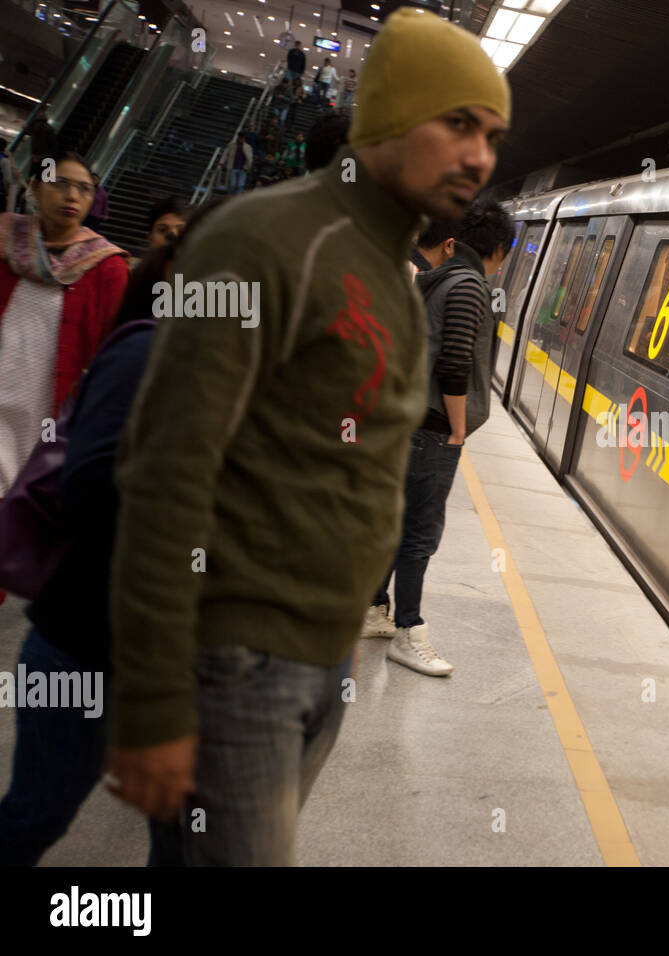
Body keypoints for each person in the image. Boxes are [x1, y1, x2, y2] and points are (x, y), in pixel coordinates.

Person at [105, 8, 510, 866]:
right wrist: (149, 700)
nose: (480, 156)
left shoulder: (396, 276)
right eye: (459, 123)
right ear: (392, 118)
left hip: (321, 663)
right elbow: (165, 470)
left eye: (494, 134)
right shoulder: (263, 239)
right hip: (235, 662)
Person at [0, 201, 225, 864]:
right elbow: (92, 490)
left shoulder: (217, 367)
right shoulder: (149, 351)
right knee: (37, 813)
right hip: (83, 642)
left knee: (181, 835)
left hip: (160, 656)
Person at [363, 201, 512, 675]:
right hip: (433, 428)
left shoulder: (436, 280)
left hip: (410, 420)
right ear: (500, 250)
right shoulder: (470, 287)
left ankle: (372, 608)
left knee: (399, 522)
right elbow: (454, 363)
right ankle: (409, 632)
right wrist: (460, 427)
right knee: (420, 535)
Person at [0, 150, 128, 497]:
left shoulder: (106, 266)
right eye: (60, 184)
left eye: (84, 189)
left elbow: (111, 348)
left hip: (45, 407)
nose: (72, 196)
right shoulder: (3, 239)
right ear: (35, 187)